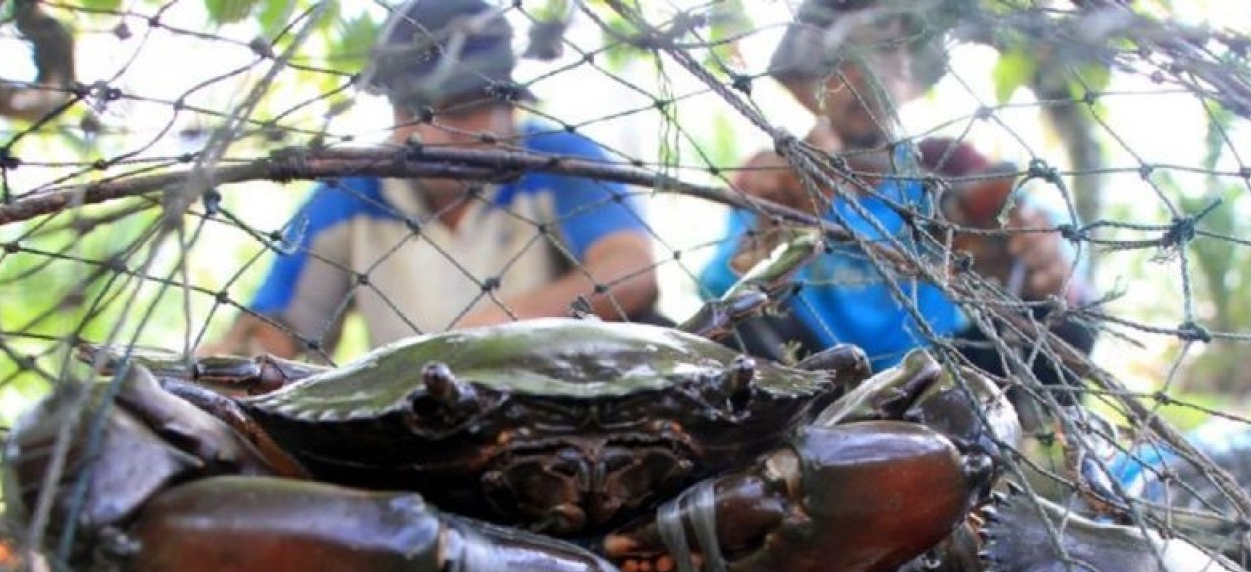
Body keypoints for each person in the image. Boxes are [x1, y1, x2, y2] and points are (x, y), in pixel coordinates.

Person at [205, 0, 659, 358]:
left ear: (509, 105)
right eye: (420, 111)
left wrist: (506, 326)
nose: (441, 134)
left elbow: (629, 272)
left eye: (466, 108)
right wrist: (239, 353)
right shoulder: (349, 193)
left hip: (564, 408)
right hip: (413, 432)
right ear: (395, 114)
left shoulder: (558, 163)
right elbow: (281, 326)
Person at [698, 0, 1095, 391]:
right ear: (808, 84)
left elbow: (1054, 250)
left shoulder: (948, 171)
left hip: (928, 380)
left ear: (913, 75)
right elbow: (718, 293)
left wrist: (1047, 266)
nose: (863, 72)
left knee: (1070, 327)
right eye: (839, 56)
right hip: (804, 379)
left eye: (885, 50)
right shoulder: (779, 177)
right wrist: (769, 232)